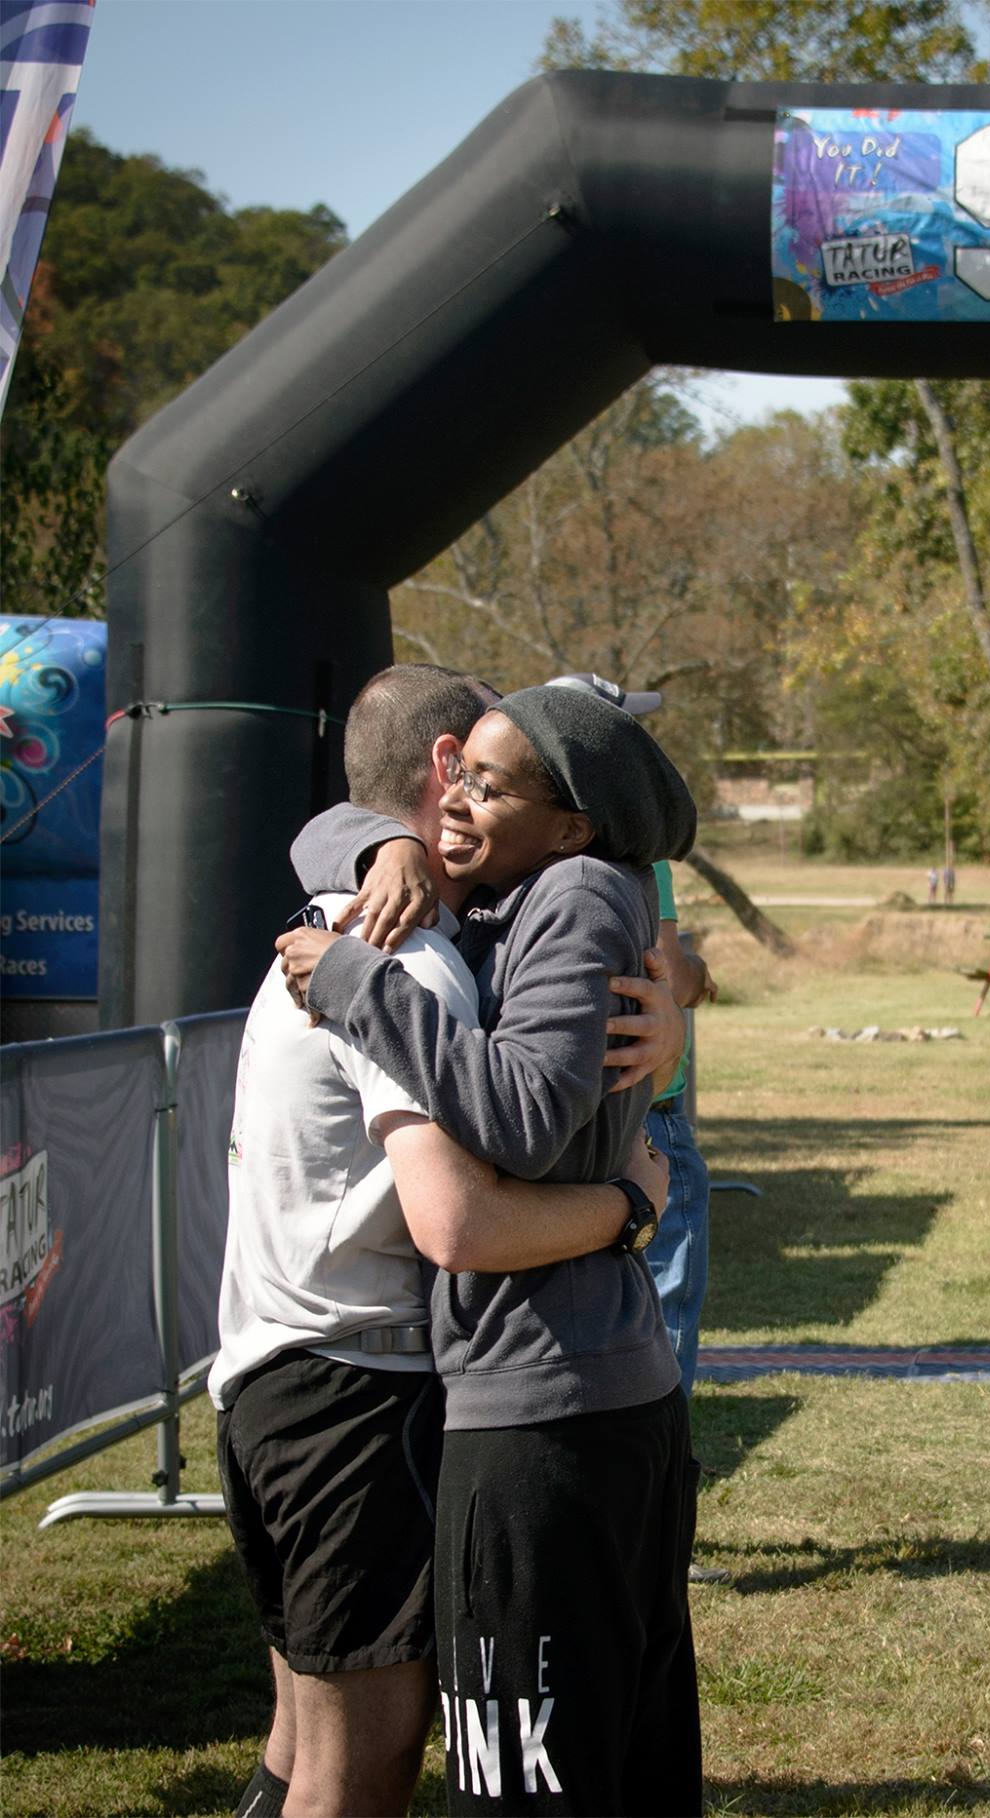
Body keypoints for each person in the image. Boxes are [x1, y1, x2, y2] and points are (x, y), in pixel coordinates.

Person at [211, 666, 677, 1818]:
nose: (468, 799)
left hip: (307, 1374)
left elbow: (541, 1063)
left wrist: (673, 989)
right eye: (460, 775)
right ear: (437, 770)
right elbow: (460, 1224)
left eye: (495, 781)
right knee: (354, 1761)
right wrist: (628, 1205)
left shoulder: (392, 933)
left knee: (320, 1745)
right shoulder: (408, 942)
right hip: (353, 1393)